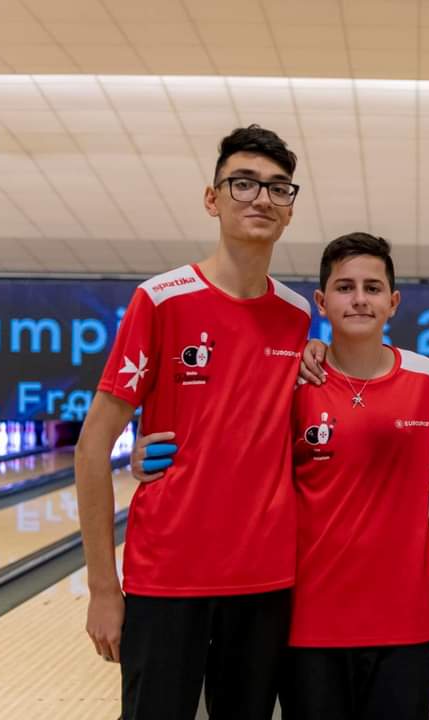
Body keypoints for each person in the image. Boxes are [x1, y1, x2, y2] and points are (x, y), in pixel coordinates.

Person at [131, 233, 429, 720]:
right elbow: (233, 451)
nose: (360, 298)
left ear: (393, 302)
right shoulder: (292, 383)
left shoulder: (427, 378)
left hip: (406, 625)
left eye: (373, 287)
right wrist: (150, 457)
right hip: (307, 628)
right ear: (322, 302)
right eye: (345, 287)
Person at [75, 125, 310, 720]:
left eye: (278, 188)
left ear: (289, 209)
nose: (261, 198)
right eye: (244, 183)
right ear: (213, 199)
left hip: (264, 582)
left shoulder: (298, 315)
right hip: (167, 580)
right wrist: (105, 589)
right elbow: (93, 444)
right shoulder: (160, 299)